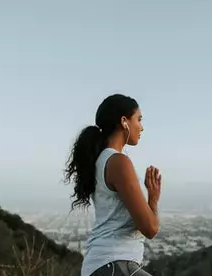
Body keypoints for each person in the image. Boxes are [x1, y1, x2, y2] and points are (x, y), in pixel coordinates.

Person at [64, 94, 162, 276]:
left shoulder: (100, 160)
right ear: (124, 121)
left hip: (104, 265)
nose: (141, 127)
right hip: (114, 264)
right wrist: (153, 199)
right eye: (138, 119)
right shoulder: (118, 162)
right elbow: (150, 228)